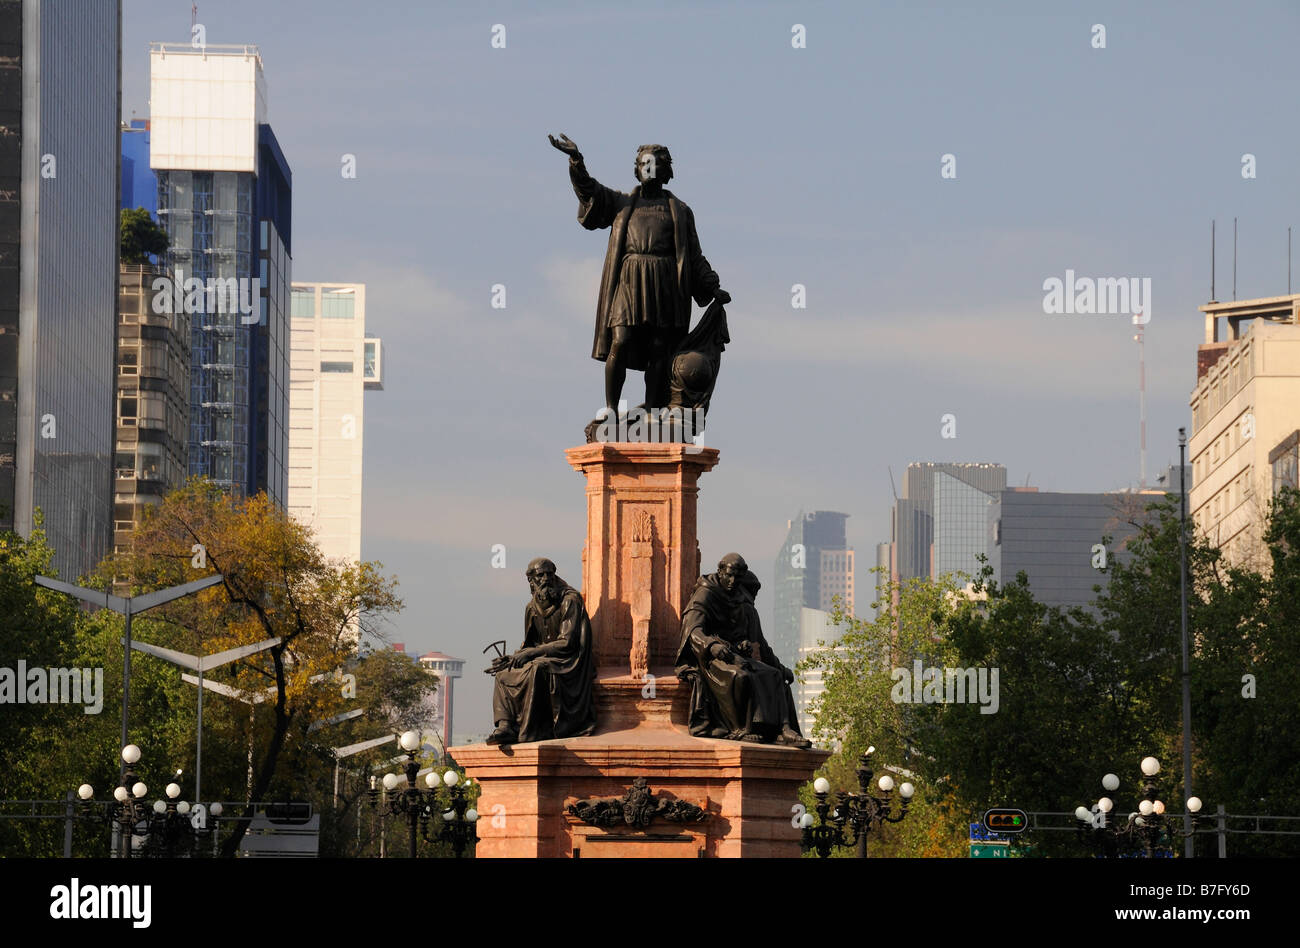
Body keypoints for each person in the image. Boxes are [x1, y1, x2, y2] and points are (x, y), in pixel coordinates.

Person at [548, 133, 731, 431]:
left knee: (660, 349)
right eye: (643, 164)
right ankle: (610, 409)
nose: (648, 169)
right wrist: (576, 161)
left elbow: (694, 256)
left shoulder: (680, 211)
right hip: (630, 281)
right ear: (637, 169)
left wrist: (712, 287)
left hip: (665, 285)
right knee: (620, 341)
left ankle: (654, 412)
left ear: (665, 170)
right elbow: (589, 191)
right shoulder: (621, 204)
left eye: (654, 165)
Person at [674, 553, 810, 747]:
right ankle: (740, 729)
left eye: (737, 577)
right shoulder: (706, 593)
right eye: (729, 575)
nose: (732, 581)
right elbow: (693, 630)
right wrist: (712, 646)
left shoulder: (740, 598)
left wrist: (778, 666)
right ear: (720, 570)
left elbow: (759, 642)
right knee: (740, 676)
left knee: (773, 675)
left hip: (733, 654)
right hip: (708, 657)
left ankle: (783, 730)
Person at [485, 558, 597, 745]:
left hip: (567, 661)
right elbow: (530, 644)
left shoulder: (570, 600)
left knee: (536, 669)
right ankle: (505, 726)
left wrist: (530, 654)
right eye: (540, 575)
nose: (546, 578)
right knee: (504, 675)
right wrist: (512, 658)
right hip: (543, 657)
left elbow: (567, 643)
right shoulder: (531, 607)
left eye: (549, 574)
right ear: (531, 580)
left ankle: (531, 731)